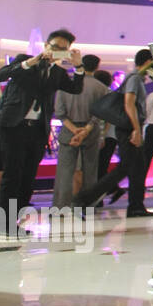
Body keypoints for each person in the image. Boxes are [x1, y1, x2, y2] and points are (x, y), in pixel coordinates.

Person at [0, 29, 84, 227]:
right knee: (12, 173)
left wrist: (78, 67)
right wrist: (32, 61)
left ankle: (15, 220)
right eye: (54, 47)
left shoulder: (58, 73)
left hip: (37, 130)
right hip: (13, 126)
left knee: (28, 176)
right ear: (46, 46)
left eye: (63, 49)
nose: (57, 51)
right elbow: (0, 75)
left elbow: (76, 88)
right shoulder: (24, 60)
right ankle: (5, 223)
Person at [73, 50, 153, 218]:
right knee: (125, 167)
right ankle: (84, 199)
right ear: (147, 62)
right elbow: (129, 103)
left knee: (138, 168)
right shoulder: (134, 78)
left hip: (130, 127)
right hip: (129, 127)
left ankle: (136, 206)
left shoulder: (137, 78)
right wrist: (136, 129)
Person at [52, 53, 106, 207]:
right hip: (91, 131)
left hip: (69, 130)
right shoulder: (101, 88)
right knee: (90, 170)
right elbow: (100, 113)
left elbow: (60, 113)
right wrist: (86, 130)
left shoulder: (65, 86)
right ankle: (86, 205)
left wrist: (75, 130)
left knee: (65, 170)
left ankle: (61, 205)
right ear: (96, 67)